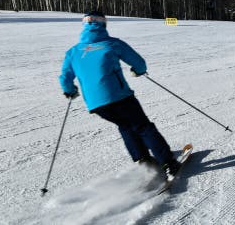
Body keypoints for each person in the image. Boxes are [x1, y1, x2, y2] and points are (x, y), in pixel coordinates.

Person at [59, 10, 181, 180]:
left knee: (125, 125)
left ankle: (144, 161)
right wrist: (139, 71)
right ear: (103, 24)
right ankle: (168, 163)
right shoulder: (112, 44)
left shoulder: (73, 51)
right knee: (143, 127)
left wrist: (70, 91)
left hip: (96, 104)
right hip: (120, 97)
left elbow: (65, 77)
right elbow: (138, 62)